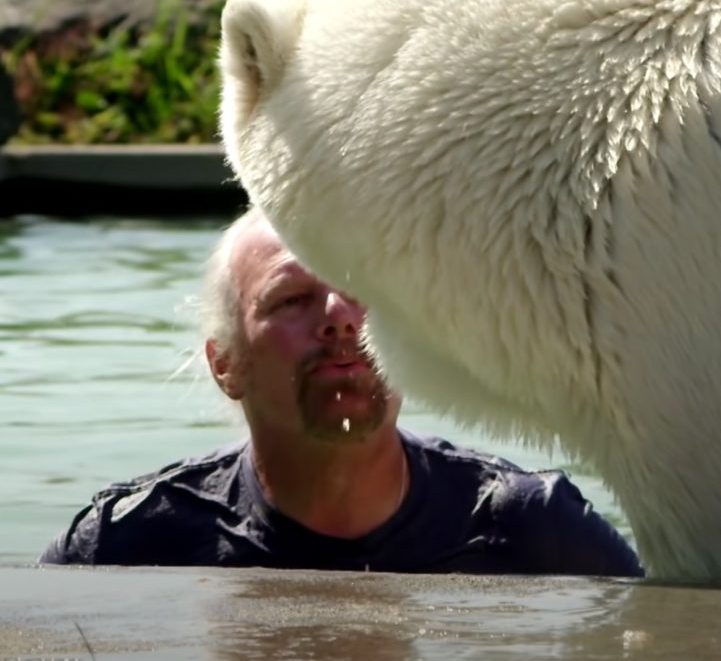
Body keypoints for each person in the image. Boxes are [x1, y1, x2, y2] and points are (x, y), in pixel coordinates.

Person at [39, 208, 643, 576]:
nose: (339, 318)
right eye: (292, 300)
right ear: (227, 365)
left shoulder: (531, 528)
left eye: (362, 290)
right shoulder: (127, 543)